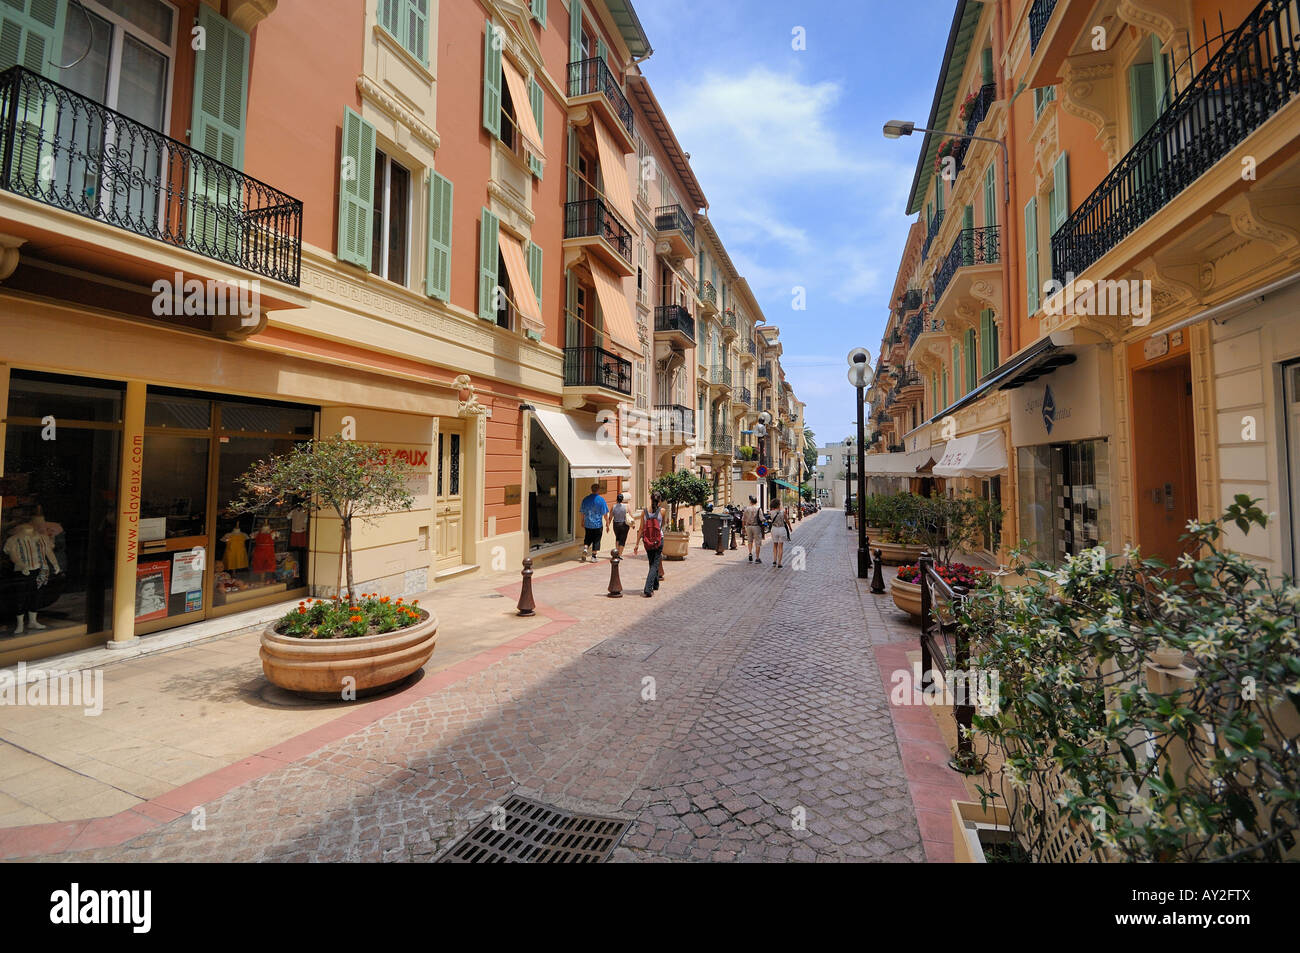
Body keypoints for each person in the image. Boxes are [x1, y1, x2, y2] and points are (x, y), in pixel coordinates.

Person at [639, 493, 667, 597]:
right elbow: (662, 525)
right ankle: (648, 588)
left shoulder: (644, 512)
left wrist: (637, 544)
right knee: (655, 564)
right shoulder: (662, 511)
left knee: (652, 563)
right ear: (659, 501)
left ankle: (655, 584)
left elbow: (641, 529)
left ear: (650, 500)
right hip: (659, 540)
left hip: (647, 541)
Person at [579, 483, 608, 562]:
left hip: (588, 523)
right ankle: (593, 557)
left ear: (591, 489)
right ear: (598, 490)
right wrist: (607, 524)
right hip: (597, 524)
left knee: (587, 538)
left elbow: (582, 512)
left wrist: (582, 521)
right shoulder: (601, 500)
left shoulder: (585, 499)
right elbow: (605, 514)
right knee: (596, 540)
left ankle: (585, 549)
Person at [766, 499, 791, 568]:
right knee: (780, 547)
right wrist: (790, 528)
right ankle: (779, 563)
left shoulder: (771, 512)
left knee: (775, 545)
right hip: (781, 529)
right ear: (779, 505)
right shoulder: (783, 512)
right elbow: (787, 521)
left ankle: (774, 561)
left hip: (774, 529)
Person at [741, 494, 763, 563]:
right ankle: (757, 558)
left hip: (748, 526)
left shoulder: (747, 509)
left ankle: (750, 553)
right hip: (756, 526)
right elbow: (762, 518)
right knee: (757, 542)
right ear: (756, 502)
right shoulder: (758, 508)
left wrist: (743, 528)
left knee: (750, 541)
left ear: (750, 502)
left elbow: (743, 519)